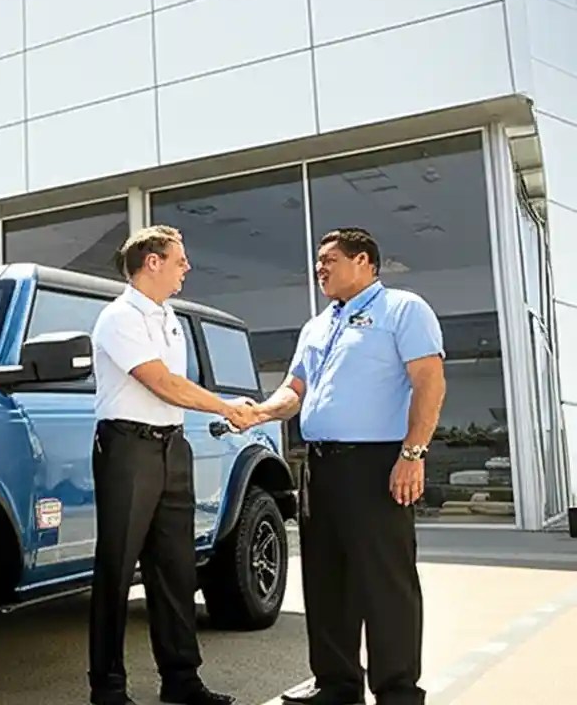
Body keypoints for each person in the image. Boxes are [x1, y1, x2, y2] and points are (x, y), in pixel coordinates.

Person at [244, 227, 445, 705]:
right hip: (320, 467)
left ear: (364, 261)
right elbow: (294, 390)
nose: (320, 269)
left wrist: (413, 454)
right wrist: (259, 412)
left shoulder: (403, 309)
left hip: (377, 463)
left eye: (329, 260)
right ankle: (336, 684)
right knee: (326, 578)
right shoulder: (316, 326)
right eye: (319, 261)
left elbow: (430, 382)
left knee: (385, 582)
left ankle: (397, 691)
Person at [87, 224, 258, 705]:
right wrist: (225, 406)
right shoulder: (119, 317)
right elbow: (161, 383)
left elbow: (174, 389)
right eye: (179, 260)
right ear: (152, 262)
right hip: (128, 448)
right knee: (117, 568)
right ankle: (108, 688)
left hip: (171, 447)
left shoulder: (170, 317)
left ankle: (181, 680)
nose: (187, 268)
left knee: (176, 568)